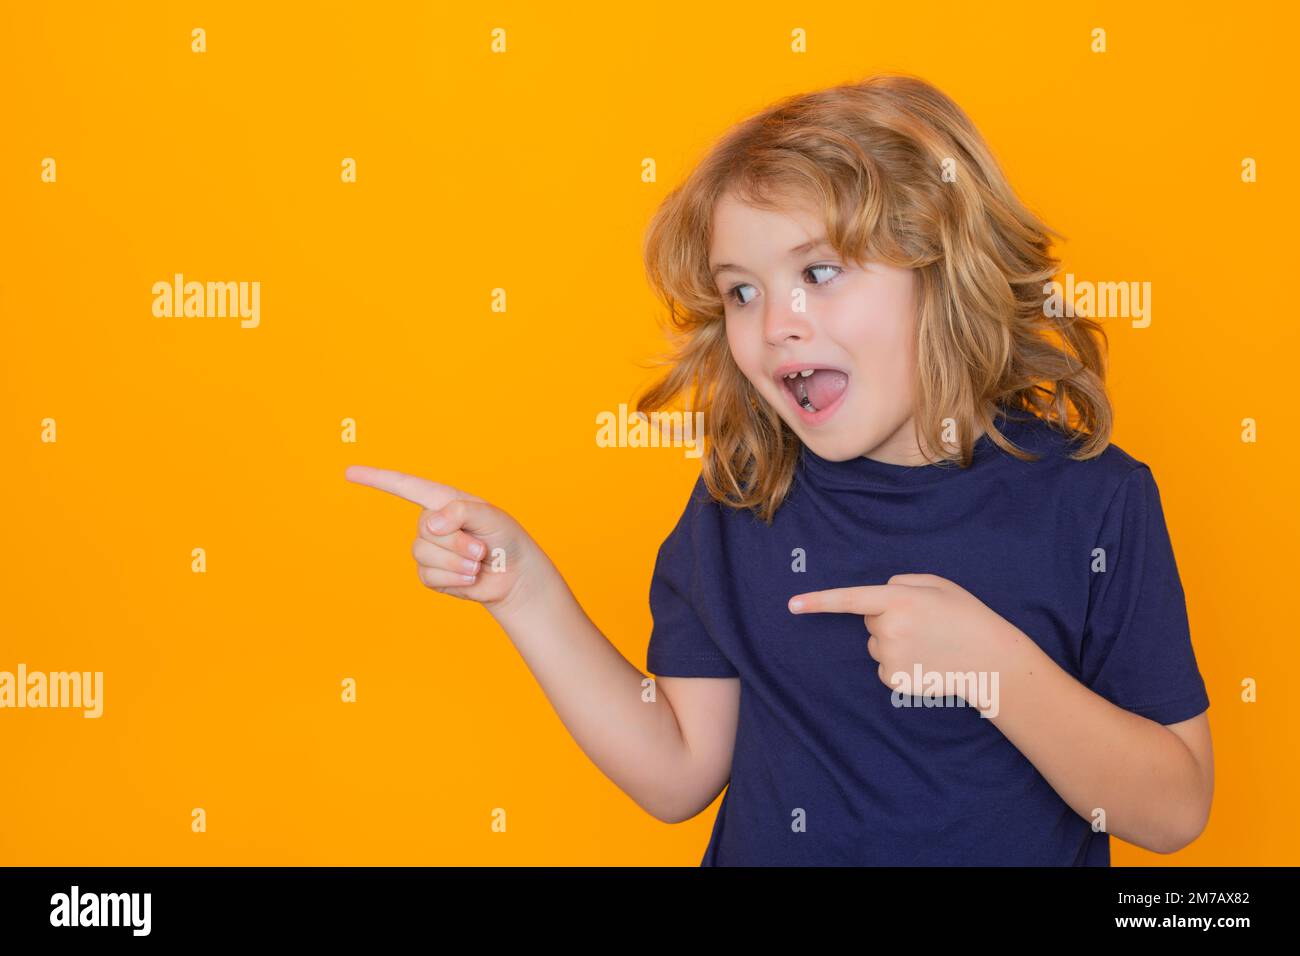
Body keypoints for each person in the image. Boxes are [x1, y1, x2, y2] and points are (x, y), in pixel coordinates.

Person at [346, 72, 1213, 866]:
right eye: (742, 291)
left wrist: (991, 667)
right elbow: (678, 772)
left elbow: (1173, 811)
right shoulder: (743, 498)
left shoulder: (1095, 501)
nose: (776, 324)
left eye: (820, 271)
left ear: (942, 272)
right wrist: (523, 588)